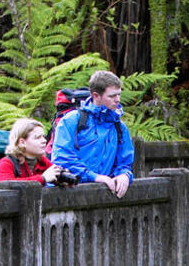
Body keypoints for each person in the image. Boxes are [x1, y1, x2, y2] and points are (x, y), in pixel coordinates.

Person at [51, 69, 133, 197]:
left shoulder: (119, 127)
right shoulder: (71, 121)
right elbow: (61, 159)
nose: (118, 100)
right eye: (112, 96)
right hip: (68, 194)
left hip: (99, 196)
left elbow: (125, 161)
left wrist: (125, 175)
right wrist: (94, 177)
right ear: (96, 96)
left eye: (119, 94)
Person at [0, 117, 64, 185]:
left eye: (44, 137)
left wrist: (62, 178)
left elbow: (54, 173)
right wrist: (42, 179)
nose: (44, 141)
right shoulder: (6, 164)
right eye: (38, 137)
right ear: (22, 142)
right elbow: (5, 185)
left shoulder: (41, 161)